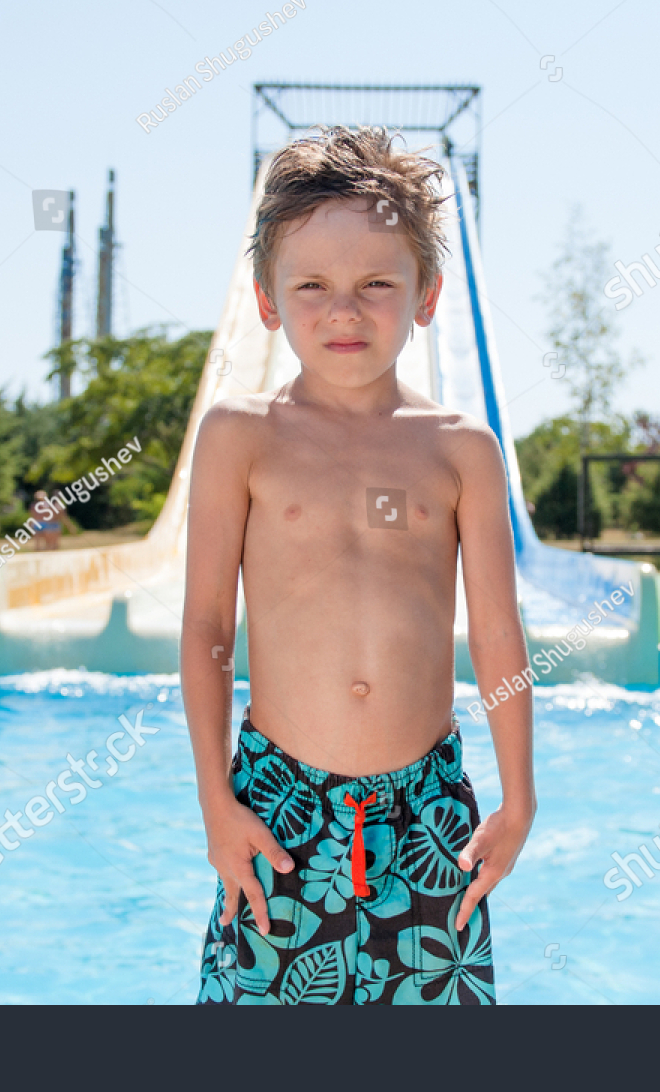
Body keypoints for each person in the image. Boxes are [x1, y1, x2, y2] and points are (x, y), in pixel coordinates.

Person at [182, 127, 535, 1005]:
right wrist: (215, 805)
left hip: (428, 813)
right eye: (313, 286)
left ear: (427, 295)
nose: (345, 310)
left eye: (377, 282)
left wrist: (518, 798)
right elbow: (206, 629)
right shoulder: (240, 435)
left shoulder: (463, 451)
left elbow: (496, 631)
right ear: (267, 300)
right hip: (277, 807)